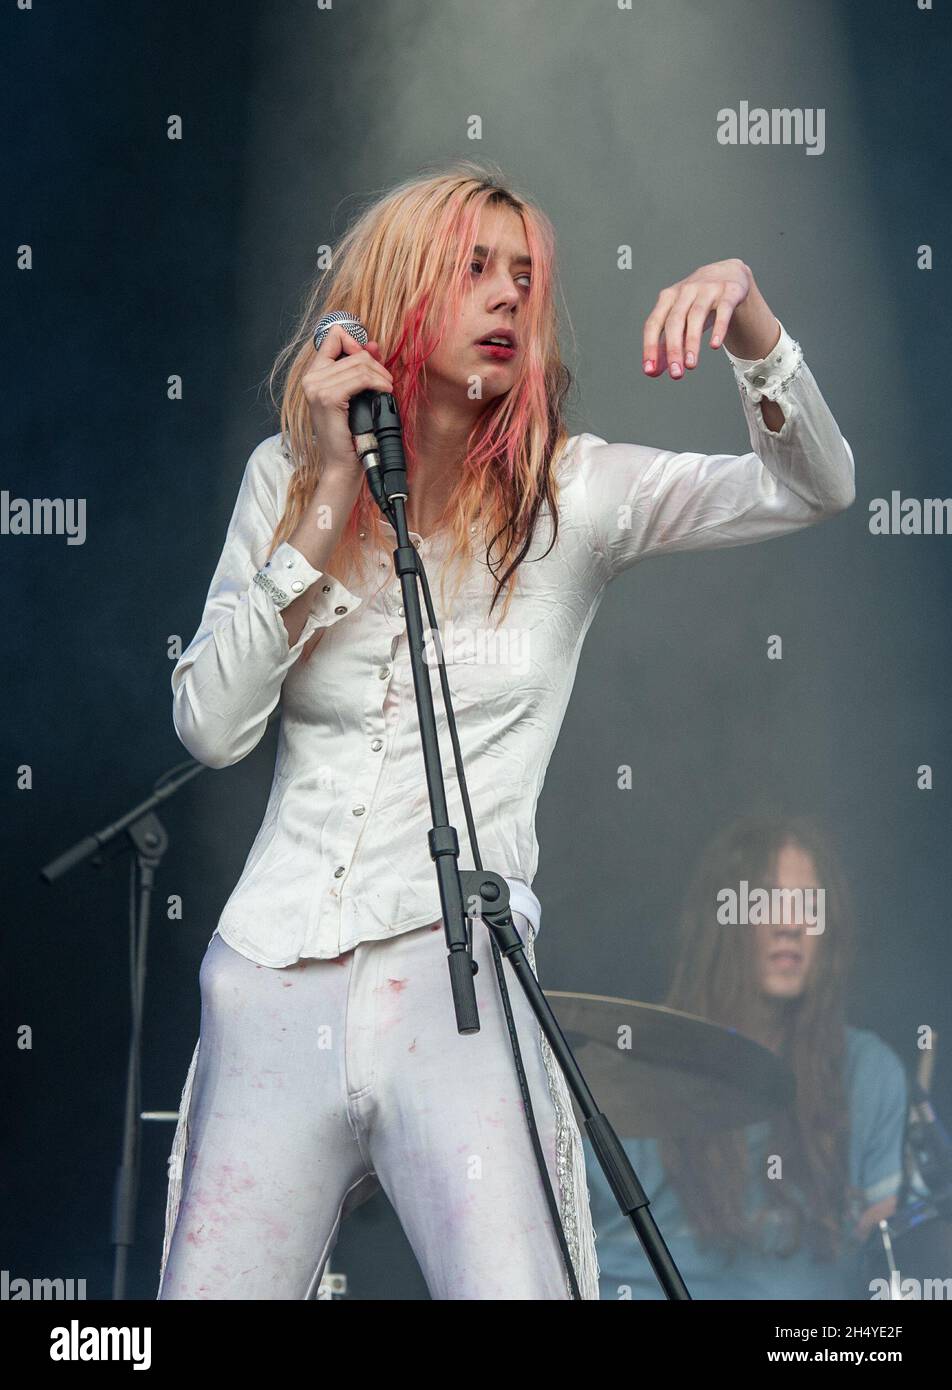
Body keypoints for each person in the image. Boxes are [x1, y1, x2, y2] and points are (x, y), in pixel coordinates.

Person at [156, 160, 855, 1300]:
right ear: (394, 293)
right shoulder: (283, 479)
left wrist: (753, 325)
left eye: (524, 276)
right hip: (270, 976)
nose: (507, 297)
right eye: (473, 268)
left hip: (456, 971)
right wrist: (331, 496)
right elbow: (210, 727)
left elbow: (813, 485)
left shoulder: (574, 495)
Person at [585, 815, 908, 1300]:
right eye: (769, 901)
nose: (792, 924)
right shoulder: (623, 1074)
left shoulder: (869, 1073)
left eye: (809, 905)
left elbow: (896, 1256)